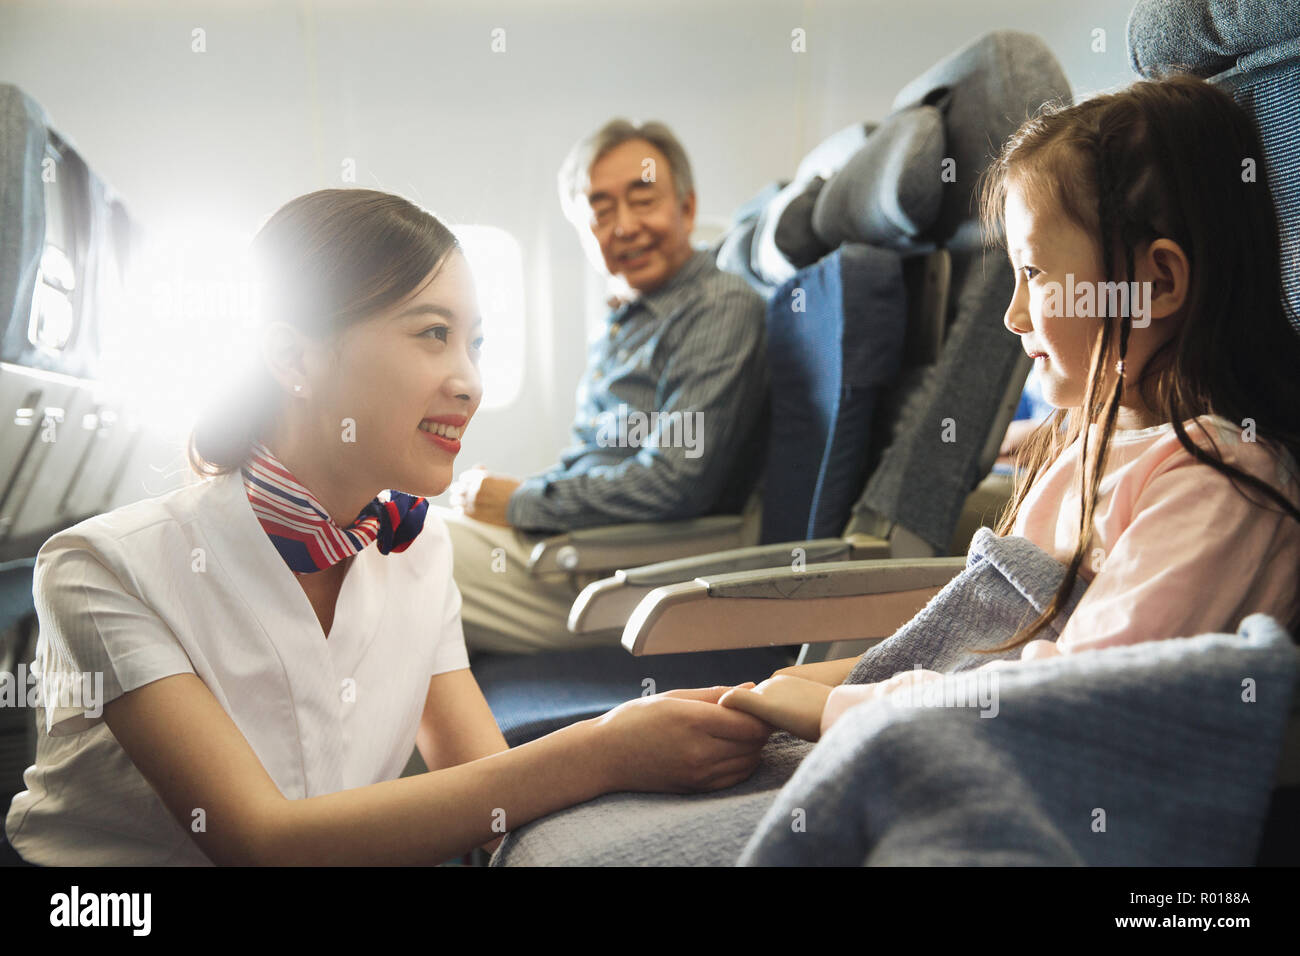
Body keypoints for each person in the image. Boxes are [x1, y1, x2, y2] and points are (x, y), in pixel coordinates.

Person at [1, 189, 773, 866]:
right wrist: (602, 751)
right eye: (432, 333)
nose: (468, 382)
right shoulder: (102, 569)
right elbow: (263, 842)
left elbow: (479, 776)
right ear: (294, 360)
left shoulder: (421, 543)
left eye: (475, 344)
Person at [718, 73, 1300, 742]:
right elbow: (966, 648)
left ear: (1156, 283)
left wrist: (829, 710)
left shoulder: (1219, 487)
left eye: (1036, 274)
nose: (1013, 314)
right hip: (923, 725)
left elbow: (1066, 705)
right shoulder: (1093, 440)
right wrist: (781, 691)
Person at [441, 119, 768, 654]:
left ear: (686, 209)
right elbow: (597, 458)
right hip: (579, 548)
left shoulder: (717, 309)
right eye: (601, 211)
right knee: (397, 529)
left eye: (644, 200)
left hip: (626, 577)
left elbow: (675, 481)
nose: (624, 226)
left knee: (395, 552)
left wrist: (523, 500)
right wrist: (516, 494)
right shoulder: (623, 318)